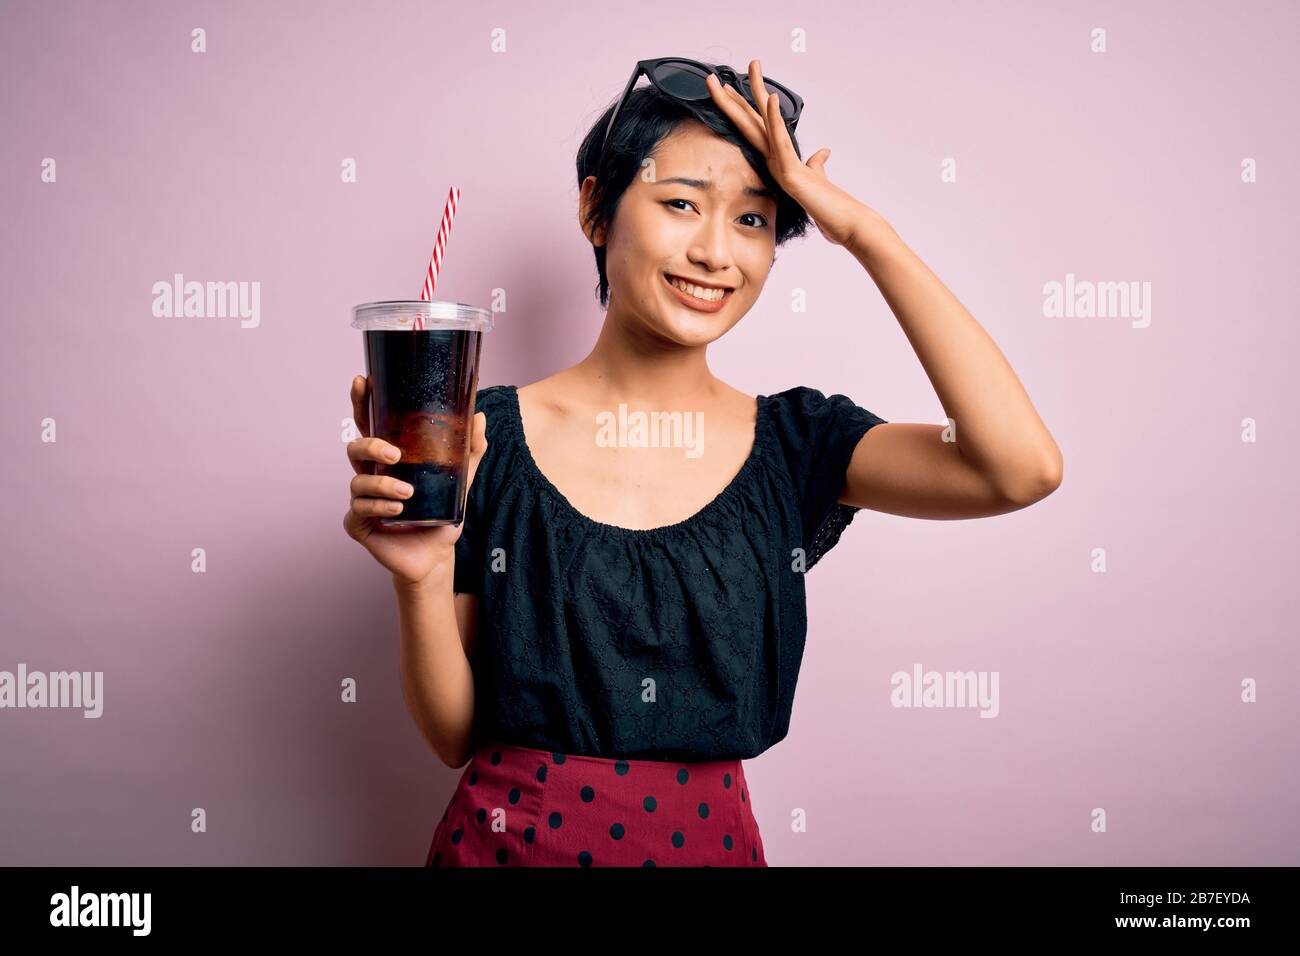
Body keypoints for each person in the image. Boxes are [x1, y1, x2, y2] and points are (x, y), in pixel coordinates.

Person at [343, 58, 1063, 867]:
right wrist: (419, 576)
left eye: (753, 221)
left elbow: (1019, 469)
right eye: (681, 203)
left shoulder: (799, 445)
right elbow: (455, 737)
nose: (716, 251)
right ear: (595, 210)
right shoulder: (482, 438)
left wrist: (863, 232)